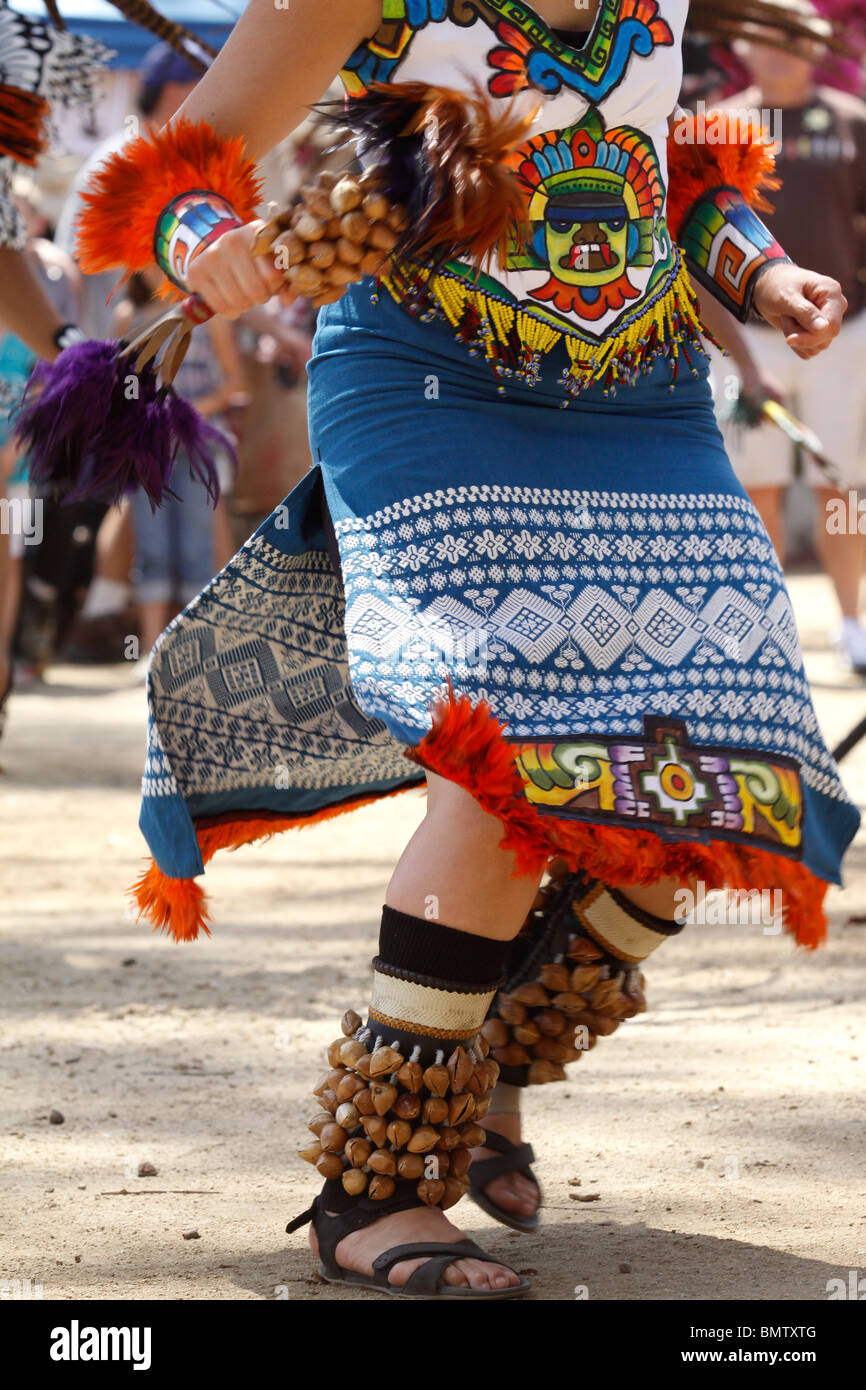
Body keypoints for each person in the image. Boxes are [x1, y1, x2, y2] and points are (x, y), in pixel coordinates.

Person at [77, 0, 858, 1297]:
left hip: (645, 401)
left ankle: (485, 1061)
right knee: (494, 772)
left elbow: (675, 167)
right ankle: (373, 1185)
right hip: (431, 391)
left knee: (714, 781)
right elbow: (172, 163)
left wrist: (763, 274)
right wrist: (208, 243)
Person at [712, 19, 866, 672]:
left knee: (845, 487)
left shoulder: (853, 123)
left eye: (788, 35)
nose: (774, 48)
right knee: (758, 486)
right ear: (738, 46)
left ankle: (853, 621)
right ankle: (769, 633)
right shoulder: (710, 131)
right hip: (745, 336)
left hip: (846, 331)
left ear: (813, 45)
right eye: (760, 35)